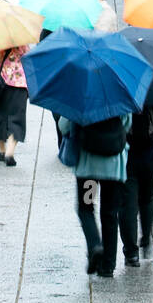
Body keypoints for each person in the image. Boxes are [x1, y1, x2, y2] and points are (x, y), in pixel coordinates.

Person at [58, 112, 132, 276]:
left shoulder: (81, 94)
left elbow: (64, 125)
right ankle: (108, 265)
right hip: (113, 166)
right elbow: (126, 124)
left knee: (86, 208)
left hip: (88, 167)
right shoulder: (118, 94)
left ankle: (94, 245)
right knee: (110, 213)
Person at [120, 102, 153, 262]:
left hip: (126, 154)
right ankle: (146, 238)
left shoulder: (120, 93)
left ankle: (131, 252)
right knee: (147, 197)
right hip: (151, 154)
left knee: (128, 203)